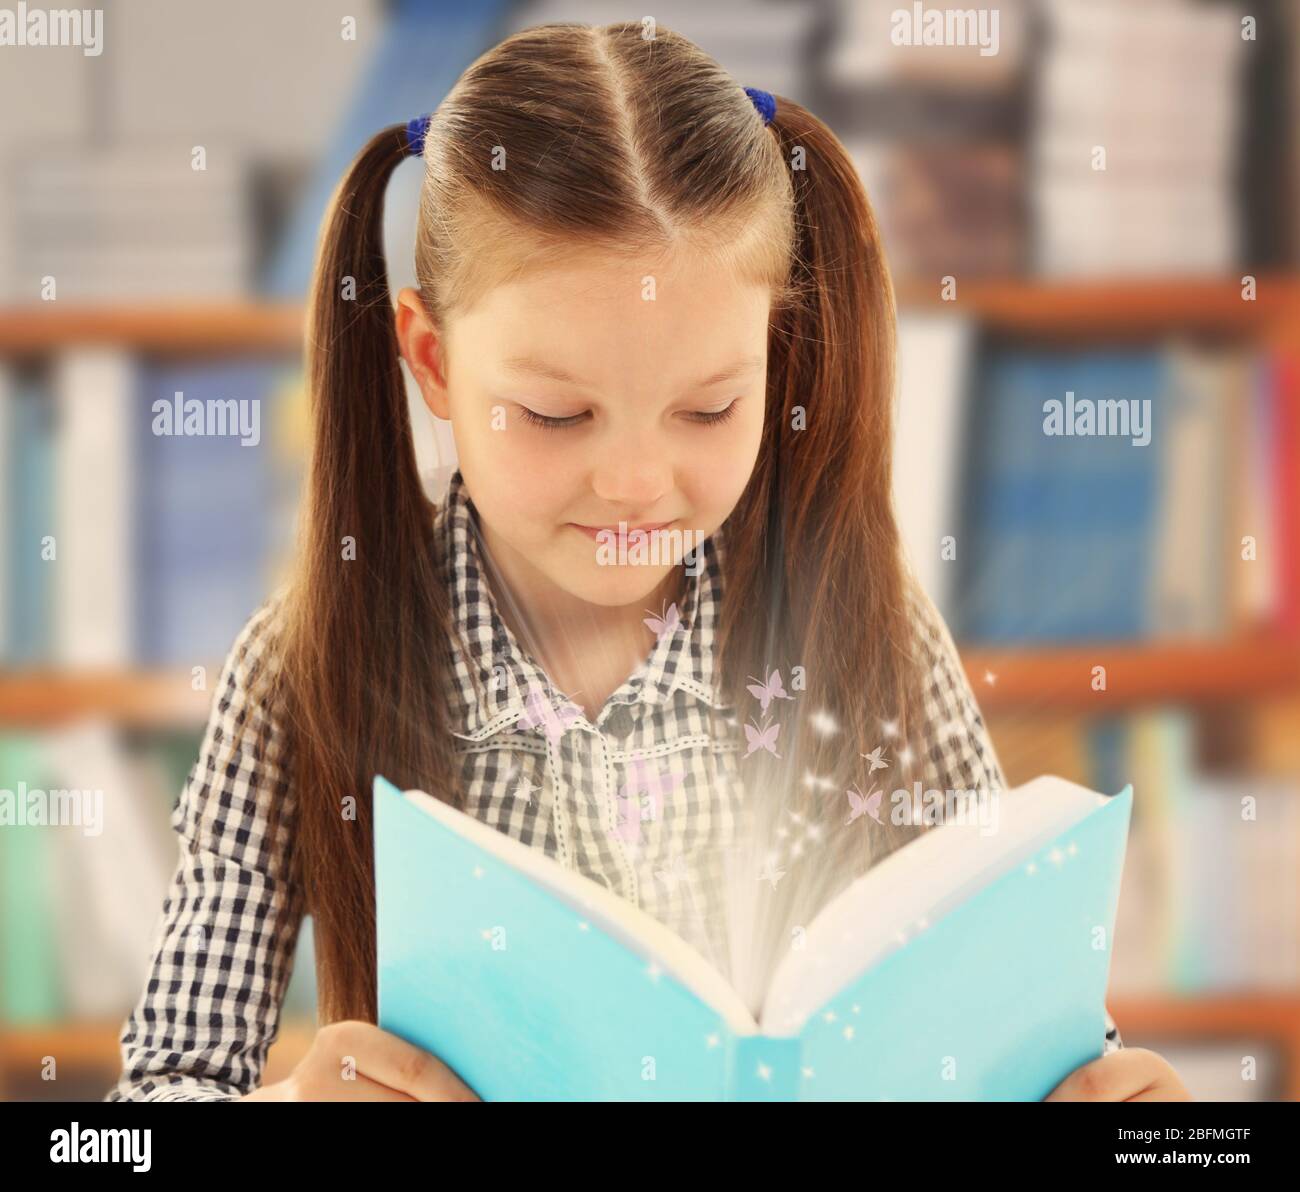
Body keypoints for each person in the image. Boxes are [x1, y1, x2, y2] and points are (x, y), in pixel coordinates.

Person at [106, 20, 1186, 1102]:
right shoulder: (295, 674)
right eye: (557, 412)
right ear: (430, 359)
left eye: (707, 408)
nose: (635, 482)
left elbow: (1034, 1032)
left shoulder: (871, 633)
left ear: (778, 357)